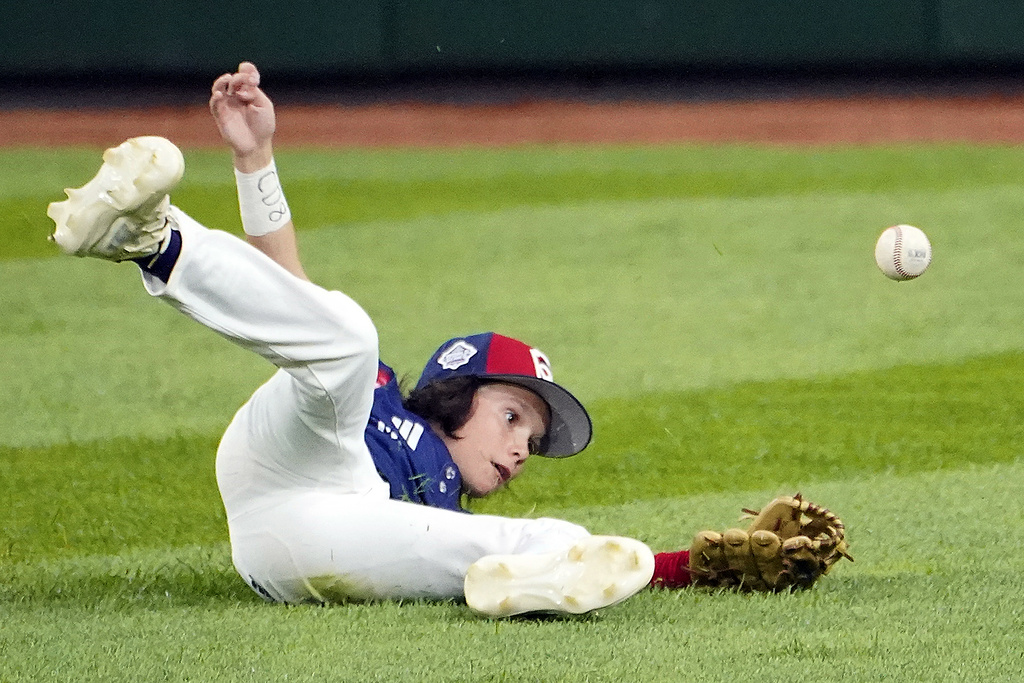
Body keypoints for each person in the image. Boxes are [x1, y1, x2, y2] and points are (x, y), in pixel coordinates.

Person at [47, 63, 698, 617]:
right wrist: (255, 159)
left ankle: (535, 585)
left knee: (558, 536)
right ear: (454, 389)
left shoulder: (446, 512)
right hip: (286, 460)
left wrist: (692, 565)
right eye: (511, 415)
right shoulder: (374, 389)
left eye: (529, 439)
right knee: (348, 337)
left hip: (338, 535)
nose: (521, 449)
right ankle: (153, 239)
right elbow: (288, 298)